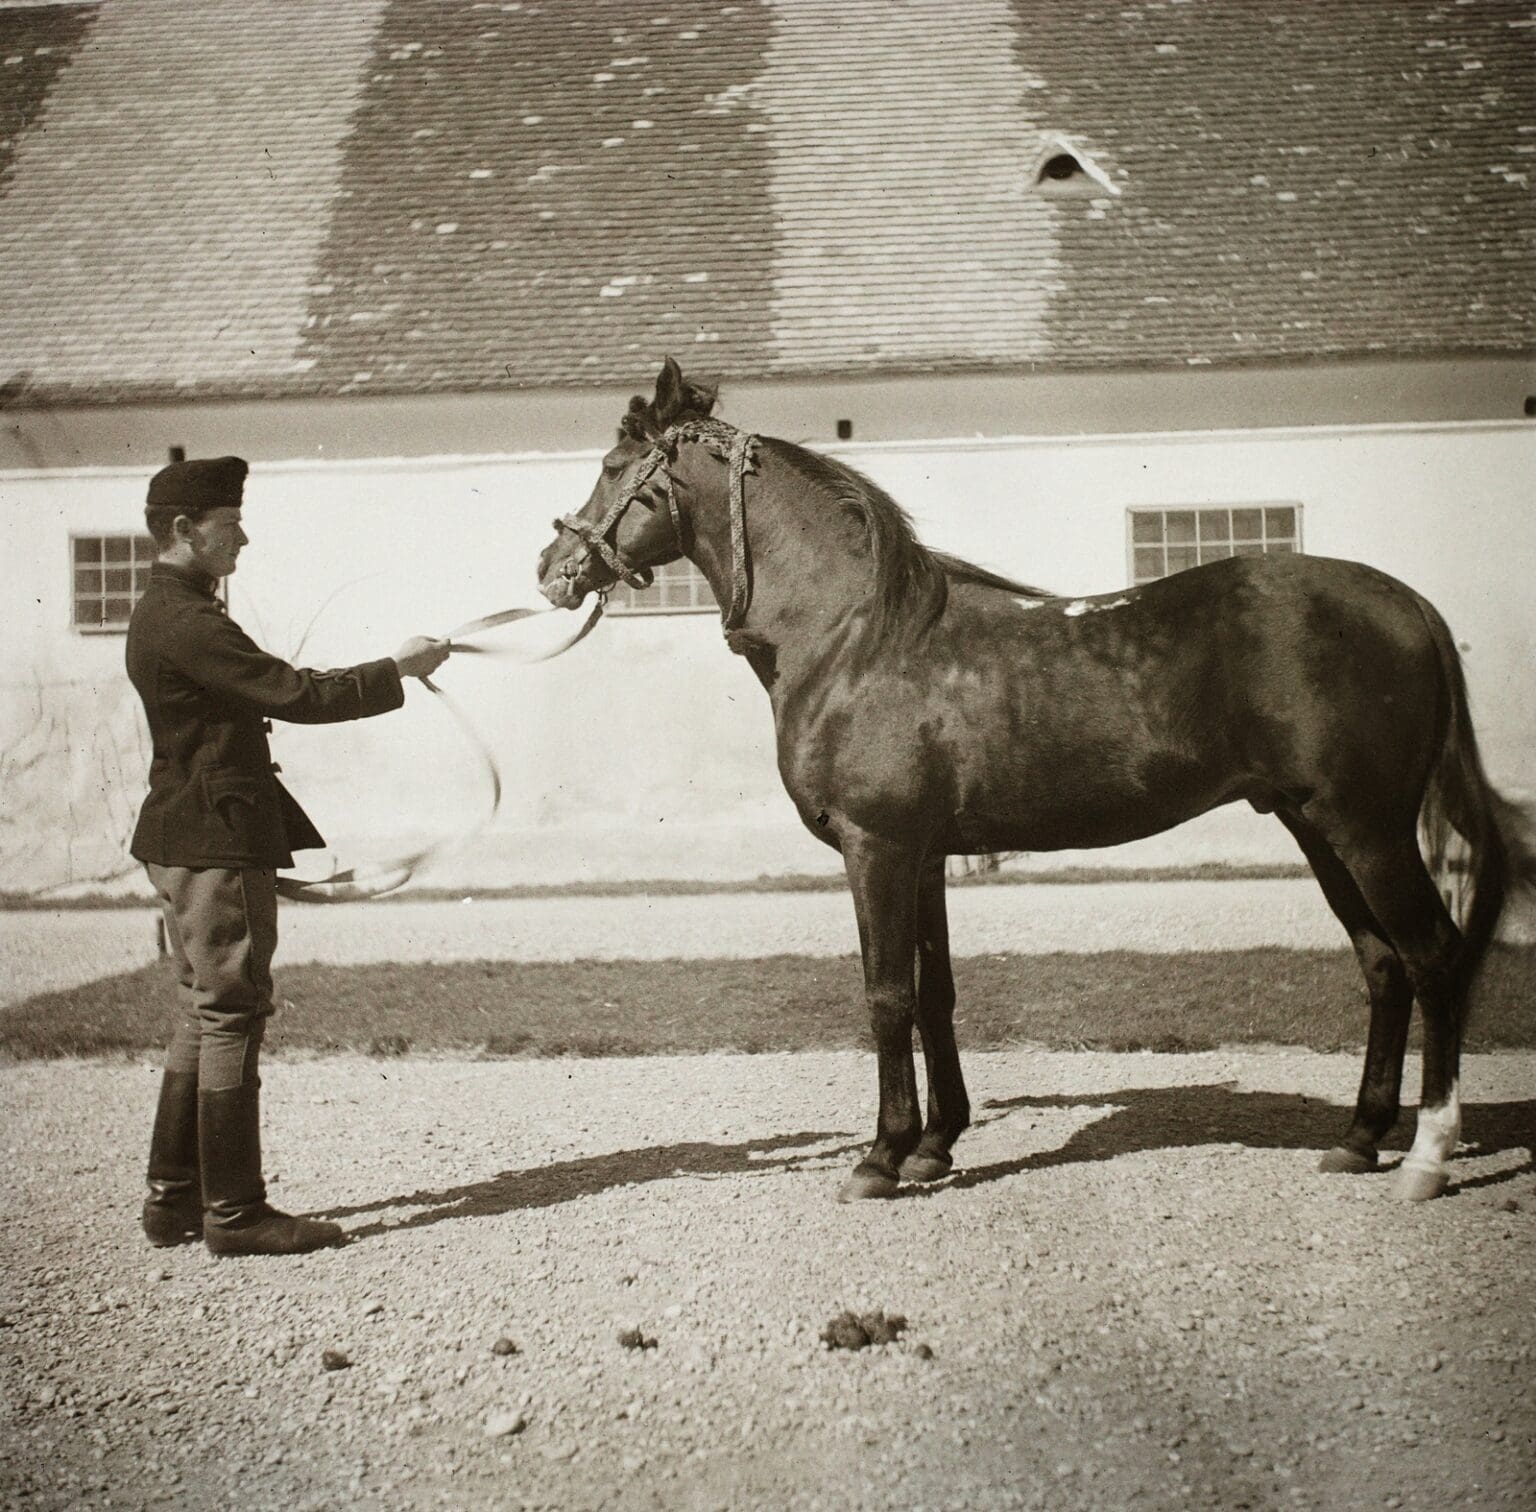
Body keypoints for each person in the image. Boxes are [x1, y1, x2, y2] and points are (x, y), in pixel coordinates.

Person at [126, 456, 448, 1256]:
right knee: (230, 1010)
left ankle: (173, 1202)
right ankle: (234, 1214)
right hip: (214, 840)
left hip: (184, 833)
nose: (243, 537)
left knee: (205, 1011)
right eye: (229, 525)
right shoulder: (191, 621)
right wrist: (396, 670)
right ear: (182, 531)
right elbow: (296, 695)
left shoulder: (168, 609)